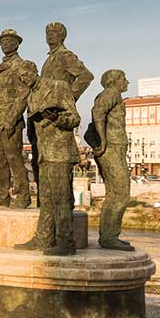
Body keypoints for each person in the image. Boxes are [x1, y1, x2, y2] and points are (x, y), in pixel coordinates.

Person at [16, 60, 82, 256]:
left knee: (61, 198)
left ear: (34, 71)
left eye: (26, 75)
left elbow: (74, 118)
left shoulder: (58, 86)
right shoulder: (32, 96)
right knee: (45, 198)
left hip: (60, 152)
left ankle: (66, 242)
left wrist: (57, 118)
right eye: (21, 78)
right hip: (44, 153)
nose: (24, 79)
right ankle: (43, 238)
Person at [28, 22, 94, 205]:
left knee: (60, 181)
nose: (50, 35)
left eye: (55, 32)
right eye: (47, 32)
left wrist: (67, 99)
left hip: (57, 118)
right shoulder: (50, 58)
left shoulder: (64, 56)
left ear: (62, 36)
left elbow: (86, 76)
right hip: (44, 122)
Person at [0, 29, 37, 208]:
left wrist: (12, 118)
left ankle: (23, 196)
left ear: (17, 43)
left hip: (12, 121)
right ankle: (3, 196)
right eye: (2, 42)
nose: (5, 44)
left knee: (15, 158)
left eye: (9, 41)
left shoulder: (23, 65)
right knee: (1, 160)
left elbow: (27, 92)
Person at [88, 69, 135, 251]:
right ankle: (109, 236)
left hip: (115, 148)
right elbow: (97, 113)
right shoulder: (111, 93)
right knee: (121, 193)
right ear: (113, 80)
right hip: (112, 148)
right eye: (124, 78)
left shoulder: (110, 95)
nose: (127, 82)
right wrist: (102, 140)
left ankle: (109, 235)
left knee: (115, 194)